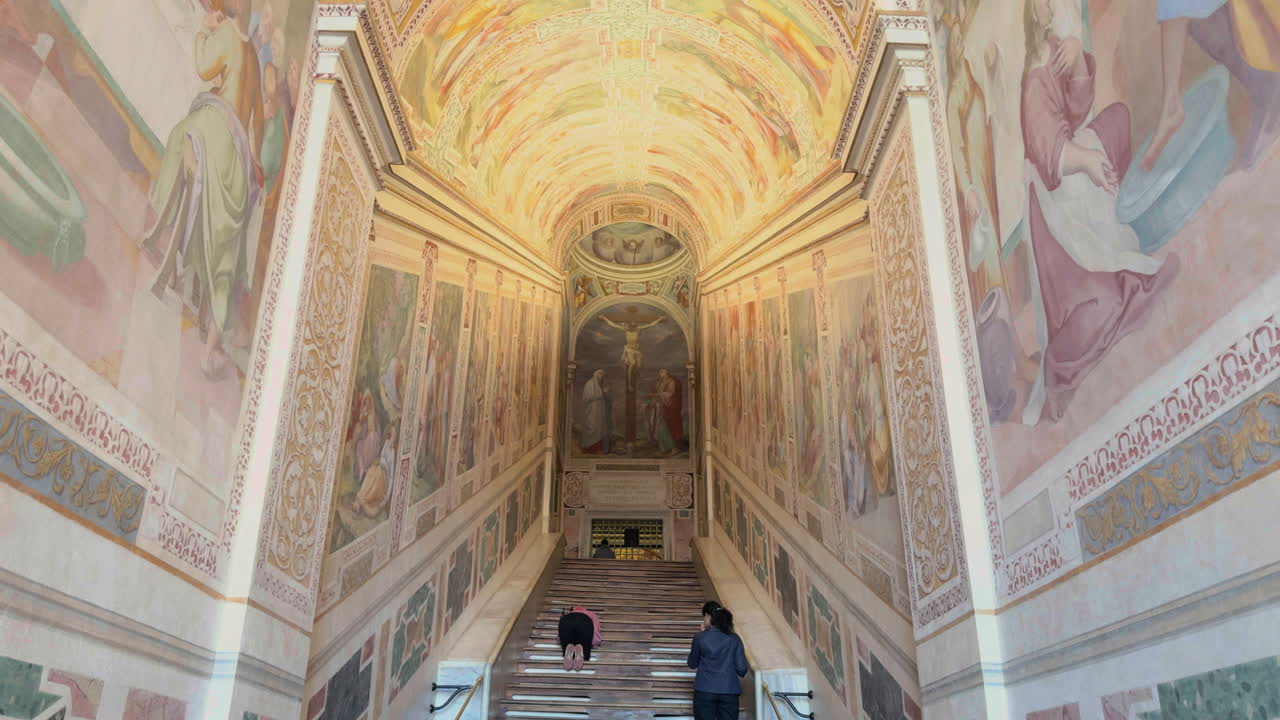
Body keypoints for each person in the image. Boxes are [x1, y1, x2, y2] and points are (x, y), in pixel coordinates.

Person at [688, 606, 749, 720]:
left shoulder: (700, 637)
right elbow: (742, 669)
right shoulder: (734, 638)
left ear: (710, 618)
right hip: (729, 690)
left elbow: (692, 663)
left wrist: (702, 635)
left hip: (704, 690)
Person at [558, 604, 602, 671]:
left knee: (568, 641)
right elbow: (595, 630)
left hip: (566, 620)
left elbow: (560, 633)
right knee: (584, 643)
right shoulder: (591, 614)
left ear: (574, 609)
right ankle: (582, 650)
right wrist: (595, 643)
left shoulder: (569, 613)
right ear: (584, 609)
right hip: (584, 620)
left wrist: (561, 640)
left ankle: (567, 648)